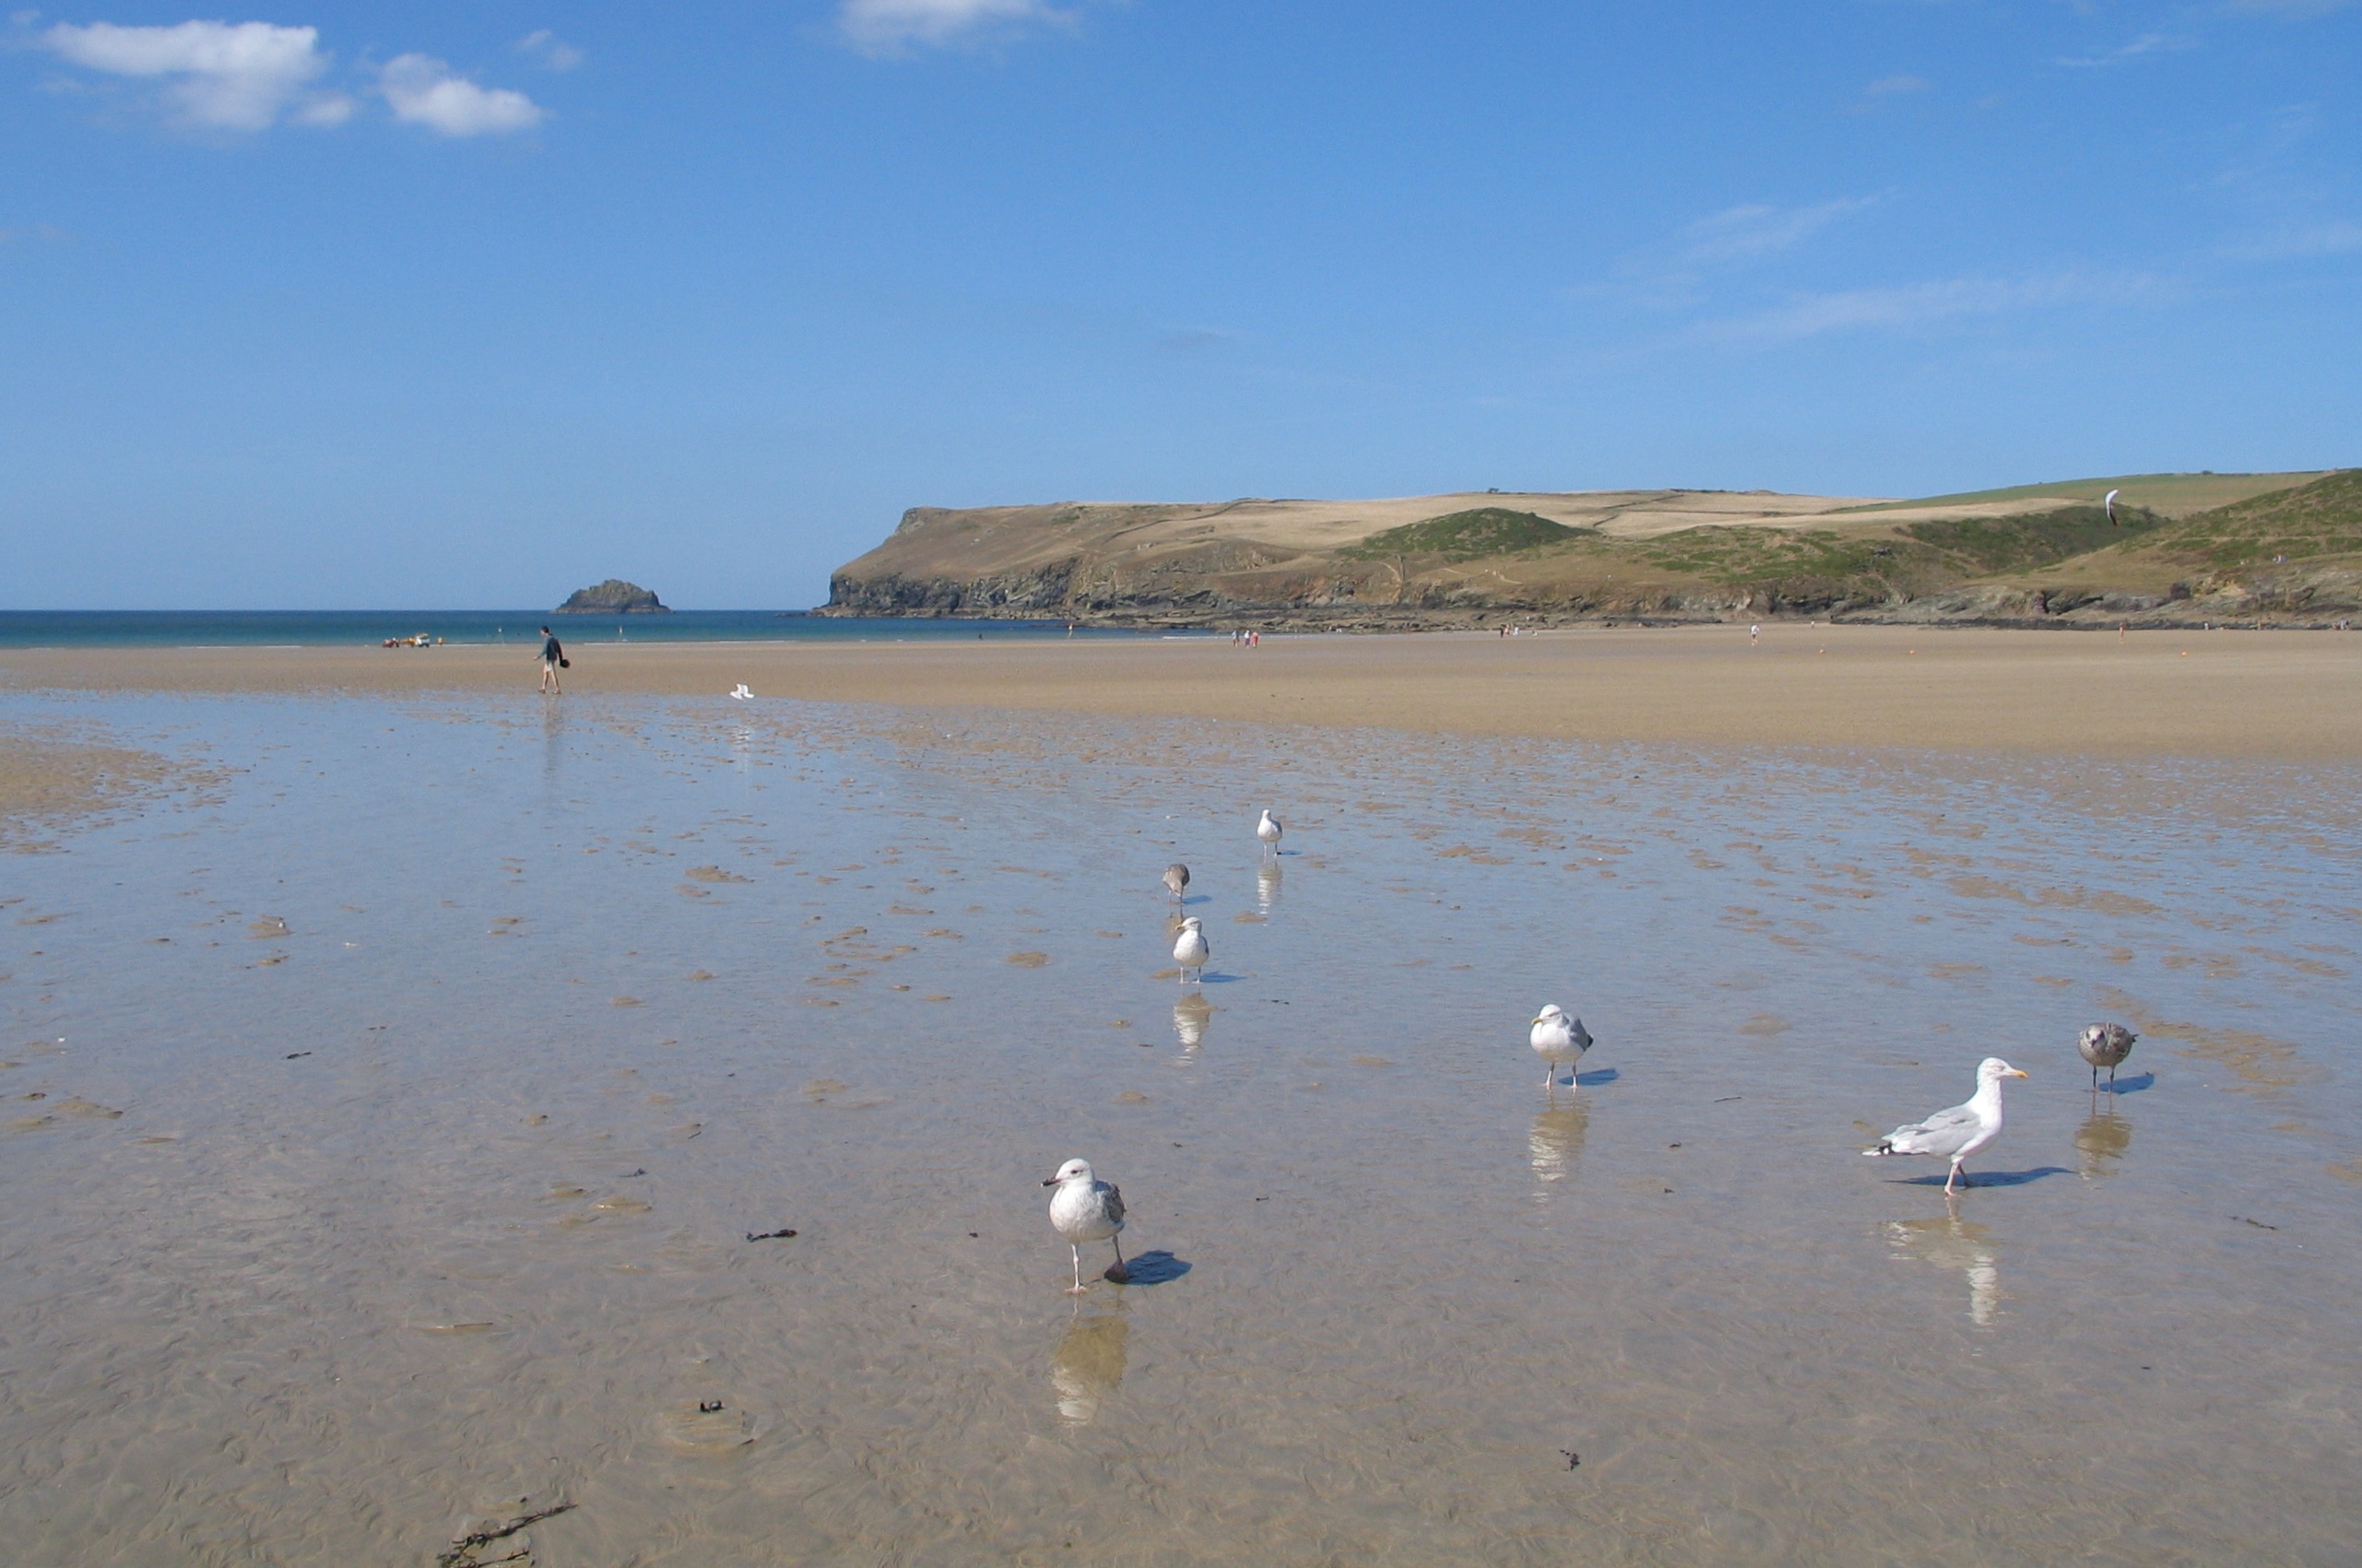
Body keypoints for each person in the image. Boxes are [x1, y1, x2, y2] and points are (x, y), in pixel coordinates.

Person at [539, 626, 564, 694]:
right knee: (545, 672)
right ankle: (543, 688)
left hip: (549, 659)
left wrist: (538, 656)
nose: (540, 633)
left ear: (543, 631)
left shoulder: (547, 639)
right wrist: (561, 659)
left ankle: (557, 689)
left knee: (552, 673)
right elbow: (559, 649)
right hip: (553, 658)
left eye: (541, 632)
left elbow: (544, 650)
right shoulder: (554, 638)